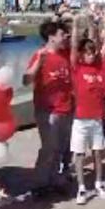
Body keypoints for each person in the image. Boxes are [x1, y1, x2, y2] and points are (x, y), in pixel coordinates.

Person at [23, 21, 73, 197]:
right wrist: (39, 63)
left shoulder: (64, 55)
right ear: (51, 37)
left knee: (61, 148)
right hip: (48, 110)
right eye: (61, 34)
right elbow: (26, 80)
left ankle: (56, 180)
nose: (65, 37)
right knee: (49, 148)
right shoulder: (40, 55)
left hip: (66, 108)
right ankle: (40, 184)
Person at [69, 38, 105, 204]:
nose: (91, 56)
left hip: (97, 120)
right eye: (87, 53)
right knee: (79, 154)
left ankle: (98, 184)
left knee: (97, 153)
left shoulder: (100, 71)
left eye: (93, 52)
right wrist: (75, 25)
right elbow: (73, 49)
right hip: (80, 120)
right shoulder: (77, 69)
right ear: (82, 54)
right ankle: (81, 188)